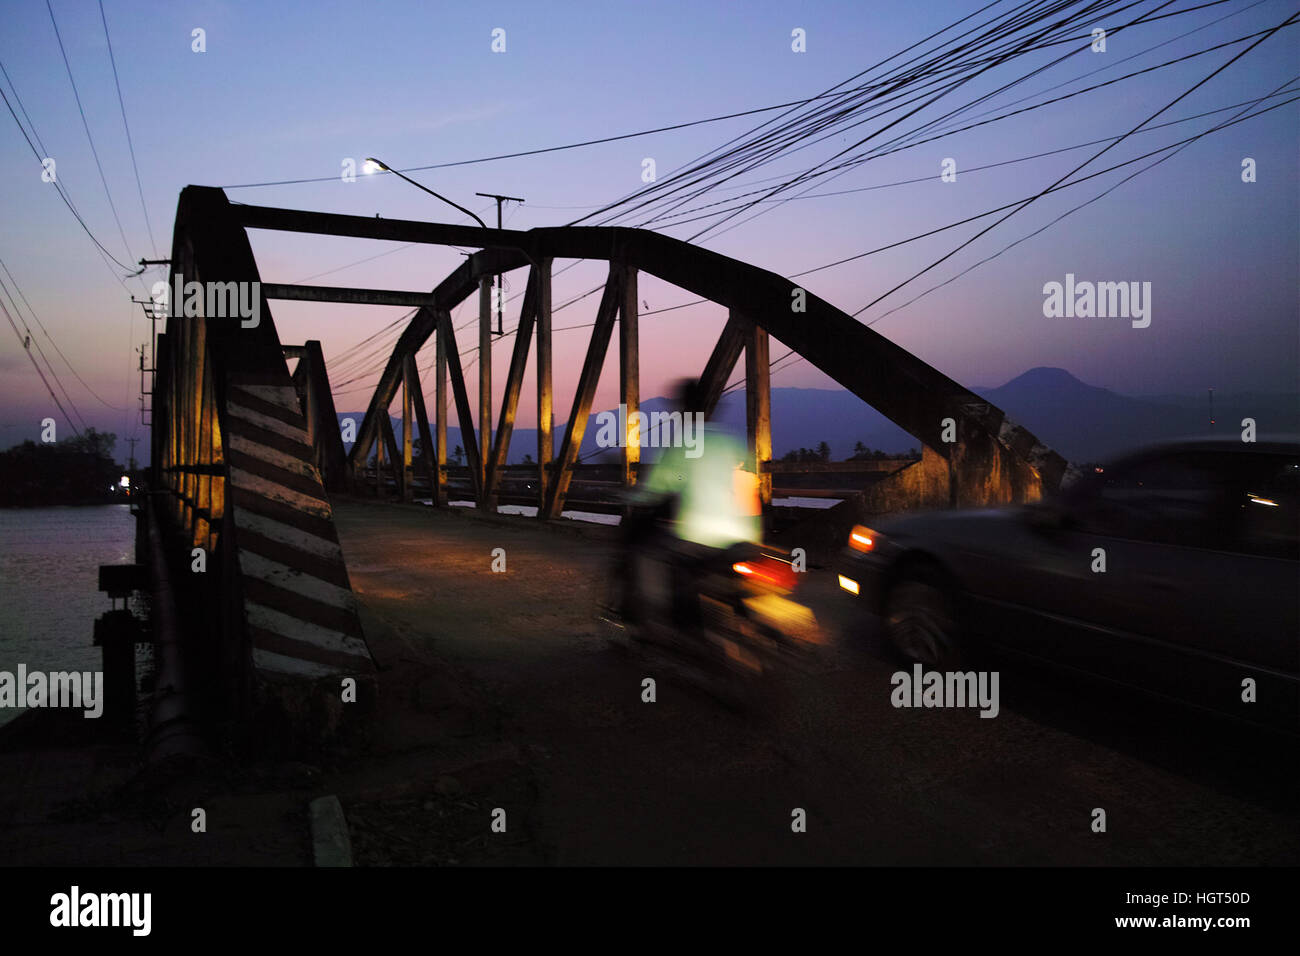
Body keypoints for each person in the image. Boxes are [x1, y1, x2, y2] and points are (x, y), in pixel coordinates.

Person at [617, 378, 762, 636]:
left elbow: (657, 488)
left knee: (647, 553)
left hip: (701, 537)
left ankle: (660, 625)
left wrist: (629, 497)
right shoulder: (734, 442)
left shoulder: (685, 444)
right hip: (746, 537)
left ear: (682, 409)